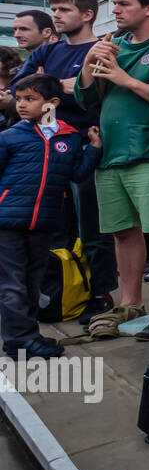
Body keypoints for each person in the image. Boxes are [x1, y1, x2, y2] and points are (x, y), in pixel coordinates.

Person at [75, 0, 149, 341]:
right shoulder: (113, 46)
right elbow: (85, 100)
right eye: (115, 3)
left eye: (124, 4)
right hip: (111, 155)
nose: (115, 10)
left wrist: (126, 79)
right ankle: (130, 303)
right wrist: (89, 63)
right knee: (123, 233)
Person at [10, 0, 118, 315]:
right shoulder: (45, 52)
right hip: (49, 151)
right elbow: (21, 91)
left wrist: (49, 84)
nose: (55, 15)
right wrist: (62, 86)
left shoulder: (100, 47)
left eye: (63, 10)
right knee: (55, 228)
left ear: (87, 14)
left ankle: (100, 294)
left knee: (93, 229)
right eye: (53, 9)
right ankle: (60, 291)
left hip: (89, 144)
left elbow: (94, 92)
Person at [0, 74, 101, 359]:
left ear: (52, 103)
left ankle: (28, 336)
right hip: (7, 222)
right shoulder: (9, 137)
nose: (21, 105)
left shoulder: (68, 137)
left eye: (30, 99)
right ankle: (18, 340)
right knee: (12, 284)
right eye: (18, 99)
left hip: (44, 223)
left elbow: (77, 175)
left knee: (33, 282)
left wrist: (93, 148)